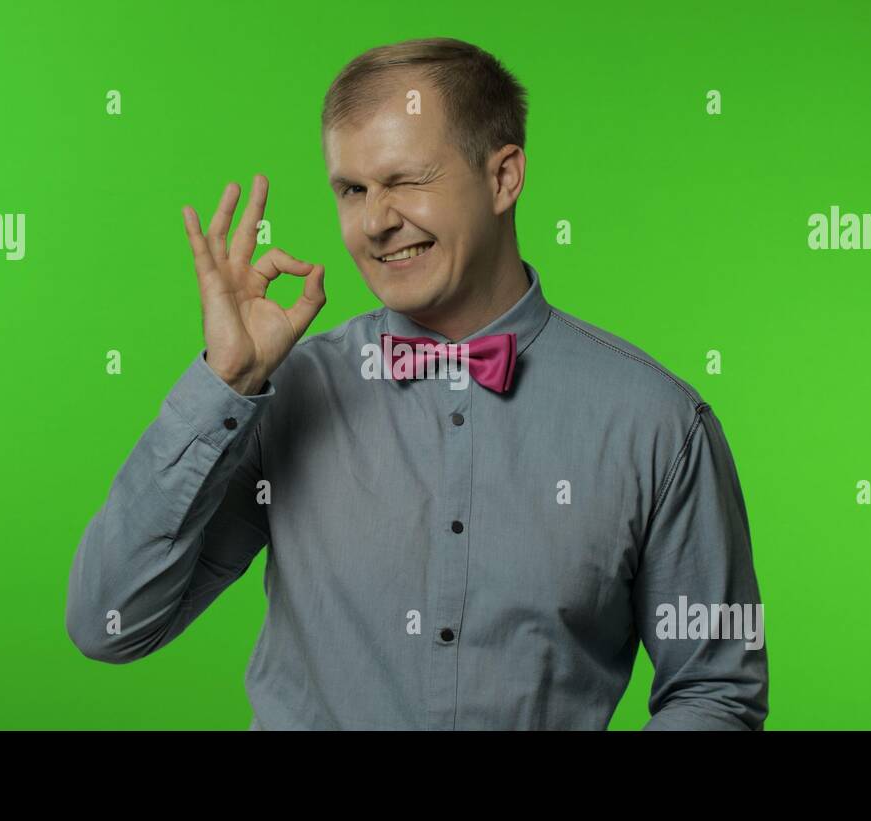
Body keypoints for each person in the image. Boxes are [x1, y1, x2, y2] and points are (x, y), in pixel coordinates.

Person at [65, 37, 768, 730]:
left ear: (503, 178)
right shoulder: (284, 395)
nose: (376, 221)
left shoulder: (658, 423)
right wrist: (227, 382)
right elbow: (109, 623)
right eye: (352, 189)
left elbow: (716, 690)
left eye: (407, 181)